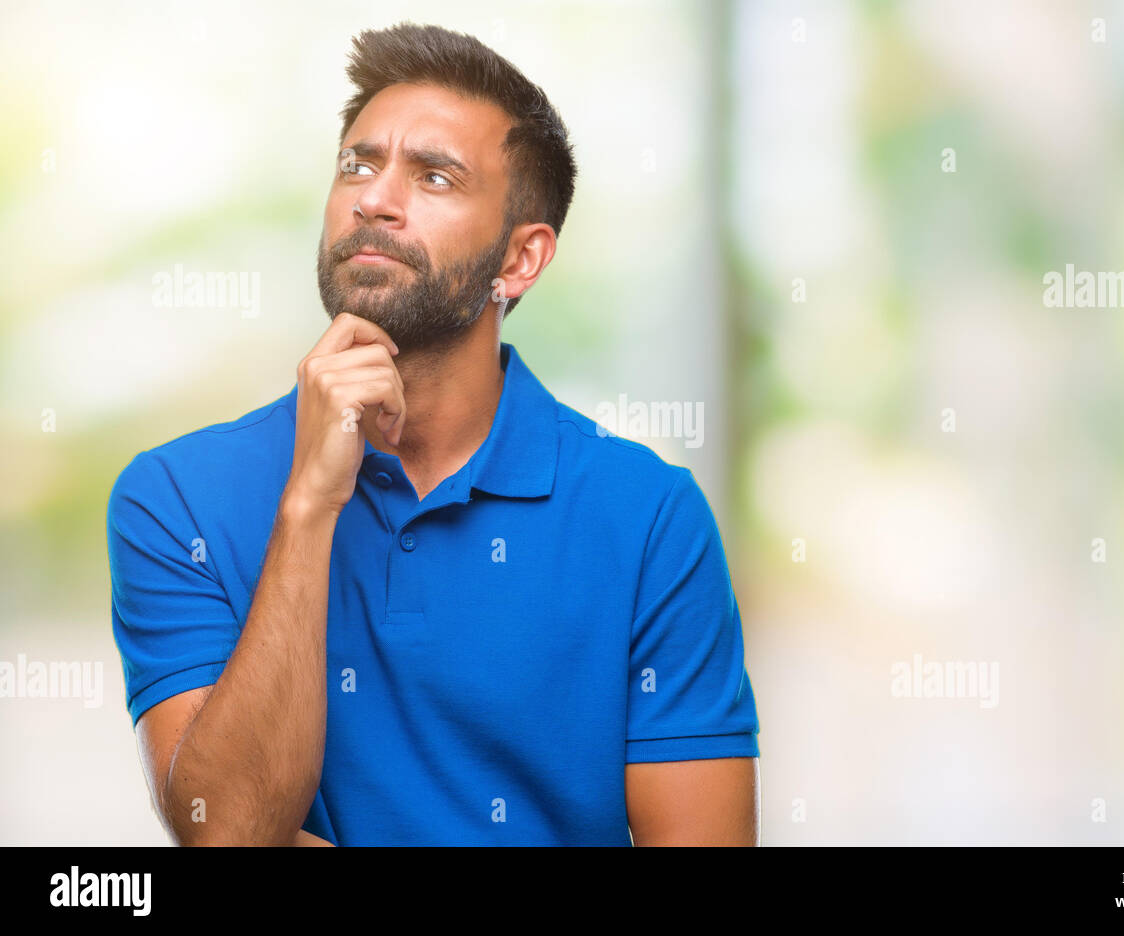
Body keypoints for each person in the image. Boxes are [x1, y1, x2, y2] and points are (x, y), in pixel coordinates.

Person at [107, 22, 759, 846]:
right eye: (359, 162)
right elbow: (227, 834)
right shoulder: (174, 499)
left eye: (435, 177)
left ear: (520, 261)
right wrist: (310, 503)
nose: (374, 198)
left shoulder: (649, 517)